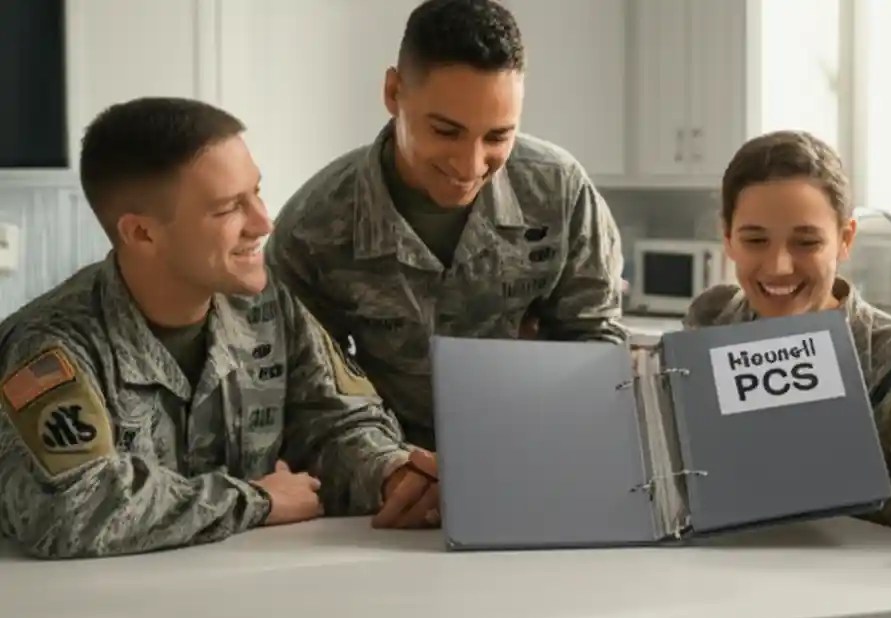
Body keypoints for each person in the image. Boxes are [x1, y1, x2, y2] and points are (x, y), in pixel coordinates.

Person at [0, 97, 441, 560]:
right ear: (142, 234)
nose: (263, 222)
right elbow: (71, 507)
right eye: (229, 208)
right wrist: (256, 500)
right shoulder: (47, 350)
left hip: (242, 598)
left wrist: (392, 473)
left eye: (256, 192)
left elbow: (339, 423)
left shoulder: (268, 310)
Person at [265, 0, 627, 456]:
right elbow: (305, 392)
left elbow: (595, 346)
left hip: (537, 452)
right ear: (394, 92)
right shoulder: (314, 226)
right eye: (446, 131)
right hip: (385, 474)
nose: (471, 165)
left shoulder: (560, 191)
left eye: (498, 137)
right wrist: (388, 473)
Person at [683, 130, 891, 537]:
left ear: (844, 240)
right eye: (755, 240)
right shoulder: (710, 318)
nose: (778, 266)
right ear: (728, 240)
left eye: (806, 242)